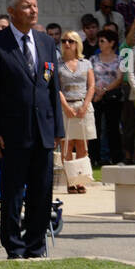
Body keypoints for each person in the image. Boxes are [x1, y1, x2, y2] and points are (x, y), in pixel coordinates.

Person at [0, 0, 64, 259]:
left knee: (42, 192)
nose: (34, 10)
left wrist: (58, 130)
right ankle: (14, 246)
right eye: (27, 6)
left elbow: (51, 87)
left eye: (35, 5)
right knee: (14, 193)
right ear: (12, 11)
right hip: (12, 132)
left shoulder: (46, 43)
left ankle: (36, 245)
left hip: (43, 130)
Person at [57, 31, 96, 193]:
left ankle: (81, 180)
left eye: (71, 41)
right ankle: (70, 181)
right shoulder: (57, 63)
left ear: (77, 44)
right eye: (64, 40)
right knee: (66, 145)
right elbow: (55, 88)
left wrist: (85, 105)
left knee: (82, 145)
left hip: (83, 105)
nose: (67, 44)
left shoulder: (86, 63)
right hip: (65, 104)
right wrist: (66, 107)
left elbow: (91, 85)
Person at [90, 27, 126, 165]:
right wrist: (96, 91)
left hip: (113, 98)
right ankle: (94, 158)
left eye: (103, 41)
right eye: (99, 41)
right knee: (95, 129)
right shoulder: (93, 58)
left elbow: (119, 79)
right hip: (95, 96)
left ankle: (116, 158)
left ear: (111, 43)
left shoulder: (120, 59)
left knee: (113, 128)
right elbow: (90, 76)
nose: (100, 43)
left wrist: (103, 90)